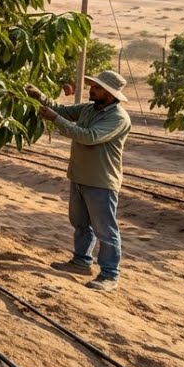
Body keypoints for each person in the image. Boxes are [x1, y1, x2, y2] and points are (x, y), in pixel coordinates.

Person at [26, 70, 132, 292]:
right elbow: (62, 109)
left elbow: (89, 136)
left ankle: (110, 274)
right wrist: (40, 96)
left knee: (105, 230)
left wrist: (55, 119)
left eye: (98, 88)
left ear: (111, 94)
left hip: (101, 181)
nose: (92, 90)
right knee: (81, 224)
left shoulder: (118, 118)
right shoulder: (88, 109)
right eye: (93, 86)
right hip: (79, 176)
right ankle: (81, 262)